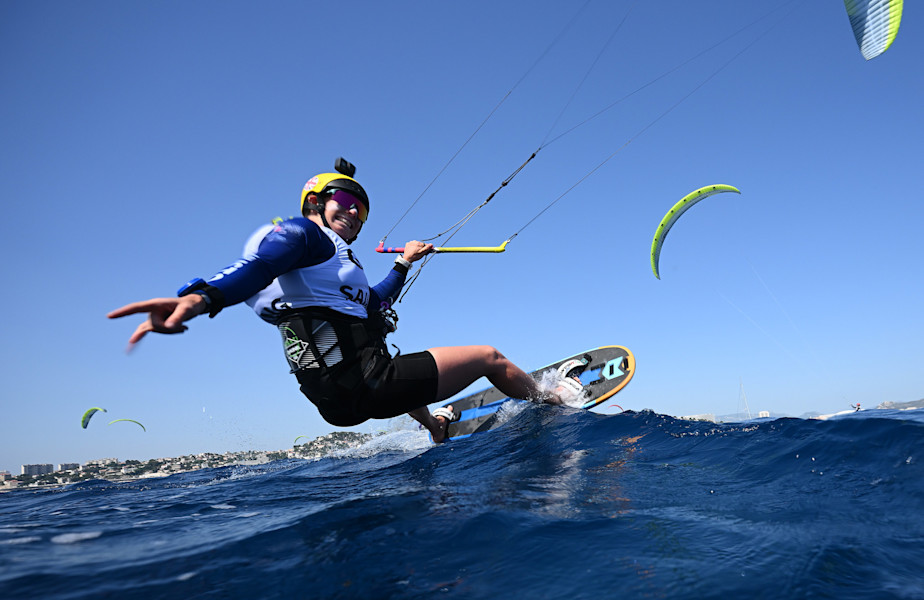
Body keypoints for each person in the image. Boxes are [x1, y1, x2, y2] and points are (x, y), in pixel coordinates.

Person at [108, 159, 580, 443]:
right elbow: (256, 268)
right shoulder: (303, 234)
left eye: (362, 210)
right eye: (345, 201)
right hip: (368, 384)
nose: (354, 213)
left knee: (382, 355)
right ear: (315, 201)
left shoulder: (328, 267)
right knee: (488, 357)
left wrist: (404, 263)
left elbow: (374, 303)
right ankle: (551, 400)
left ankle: (435, 428)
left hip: (337, 403)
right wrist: (198, 299)